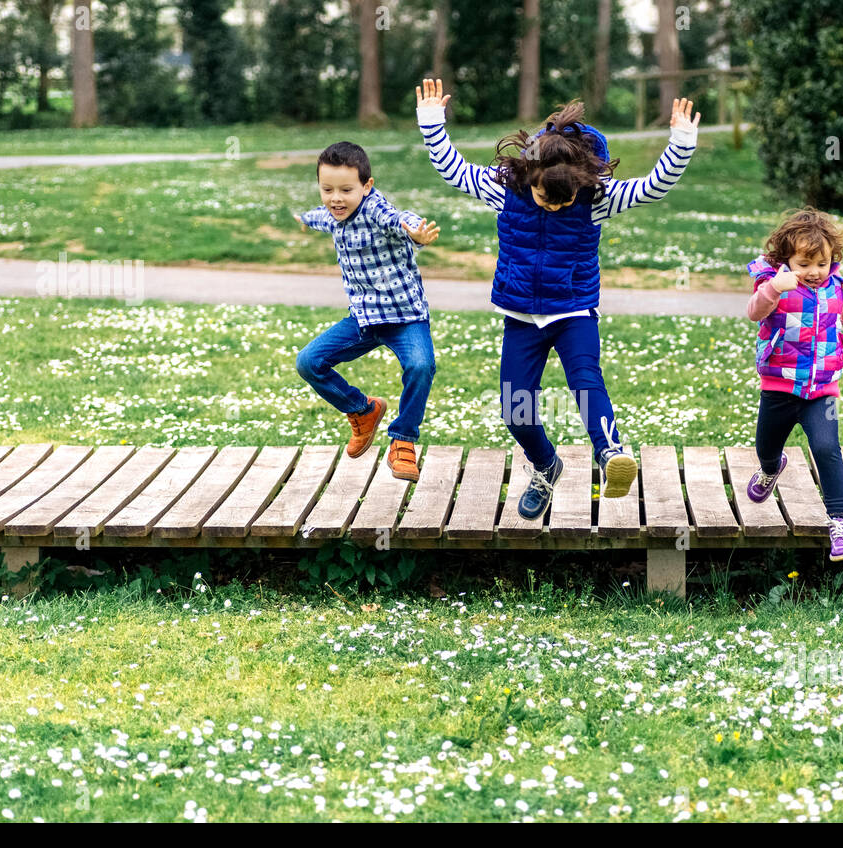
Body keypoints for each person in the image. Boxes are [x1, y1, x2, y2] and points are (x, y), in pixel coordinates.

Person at [415, 77, 700, 519]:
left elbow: (654, 186)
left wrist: (681, 140)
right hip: (521, 315)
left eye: (564, 202)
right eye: (547, 197)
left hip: (574, 312)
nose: (553, 206)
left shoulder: (596, 199)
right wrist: (432, 120)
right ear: (532, 176)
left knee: (586, 382)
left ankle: (611, 455)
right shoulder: (504, 189)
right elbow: (451, 168)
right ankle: (547, 466)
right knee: (515, 407)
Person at [293, 141, 441, 482]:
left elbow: (396, 218)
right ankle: (363, 411)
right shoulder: (333, 214)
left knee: (421, 365)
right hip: (363, 320)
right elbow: (321, 216)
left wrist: (415, 231)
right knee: (308, 362)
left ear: (367, 186)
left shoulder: (375, 210)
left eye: (346, 190)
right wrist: (304, 219)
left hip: (405, 317)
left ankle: (403, 439)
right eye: (327, 189)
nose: (336, 198)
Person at [744, 206, 843, 560]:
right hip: (779, 388)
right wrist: (774, 287)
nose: (814, 272)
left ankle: (839, 524)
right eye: (804, 265)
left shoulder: (834, 288)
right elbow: (755, 312)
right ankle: (772, 469)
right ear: (786, 259)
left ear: (832, 259)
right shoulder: (775, 285)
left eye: (821, 263)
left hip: (823, 391)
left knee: (826, 448)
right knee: (766, 448)